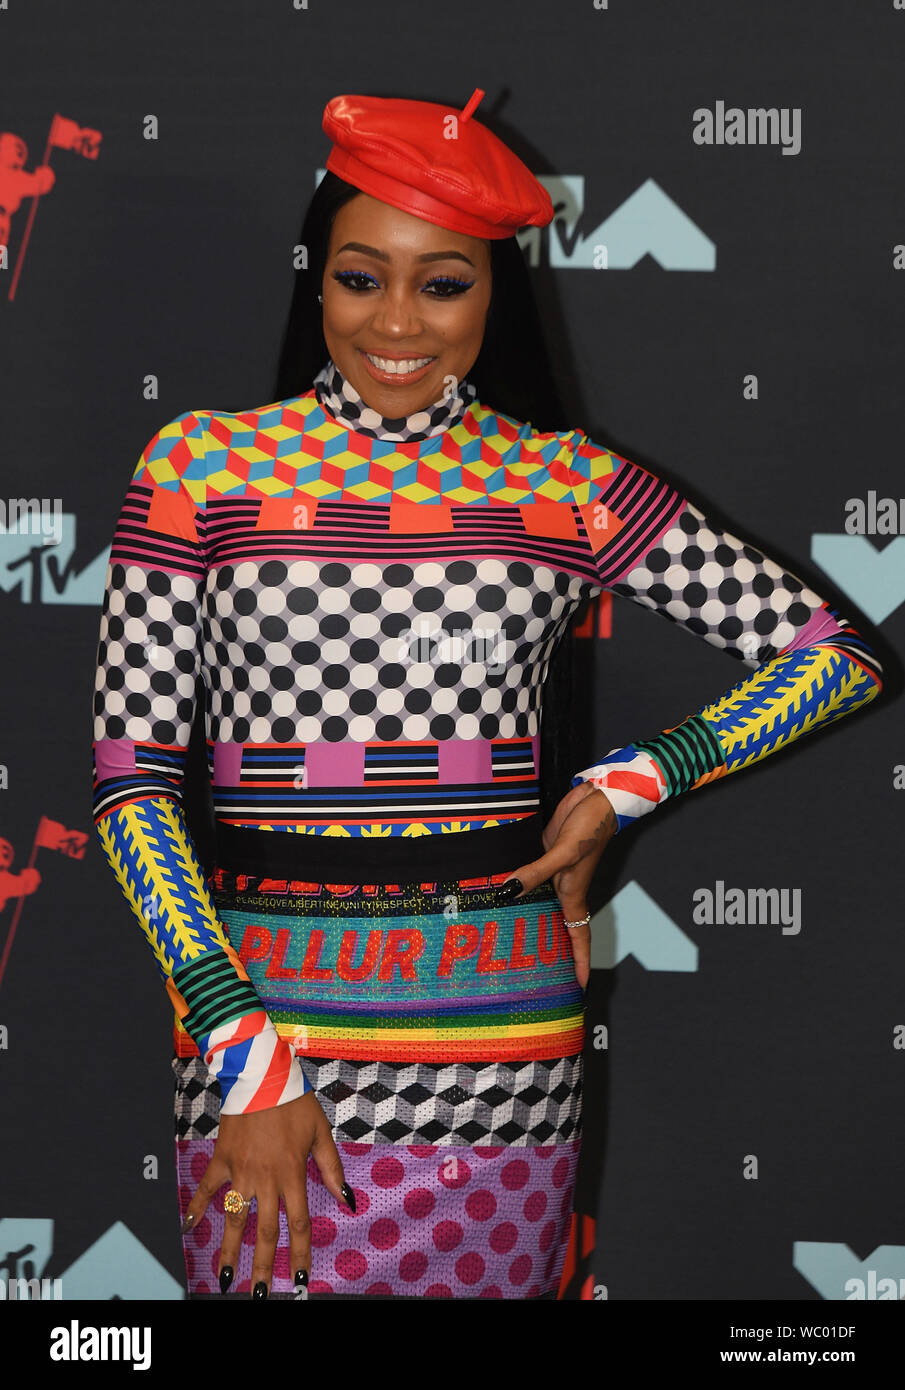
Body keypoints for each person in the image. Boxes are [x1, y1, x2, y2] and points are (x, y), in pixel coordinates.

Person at [91, 89, 884, 1301]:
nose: (396, 320)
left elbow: (835, 652)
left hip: (499, 1030)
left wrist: (627, 782)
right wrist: (245, 1060)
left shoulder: (564, 484)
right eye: (363, 277)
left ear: (494, 291)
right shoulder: (201, 469)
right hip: (261, 1020)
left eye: (442, 282)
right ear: (318, 283)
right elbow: (133, 782)